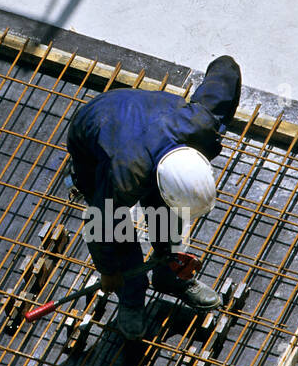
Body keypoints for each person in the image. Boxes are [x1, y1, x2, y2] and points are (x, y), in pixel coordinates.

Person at [66, 55, 241, 339]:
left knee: (166, 216)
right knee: (120, 237)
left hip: (142, 116)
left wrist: (223, 64)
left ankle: (167, 273)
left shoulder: (202, 125)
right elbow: (100, 225)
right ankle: (132, 296)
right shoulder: (123, 177)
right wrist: (109, 271)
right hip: (94, 131)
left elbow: (225, 71)